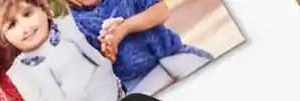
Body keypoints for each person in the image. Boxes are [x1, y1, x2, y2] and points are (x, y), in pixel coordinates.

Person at [65, 0, 212, 95]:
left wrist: (124, 28)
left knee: (207, 79)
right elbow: (99, 65)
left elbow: (161, 11)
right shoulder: (75, 25)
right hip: (138, 81)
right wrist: (109, 50)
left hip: (173, 55)